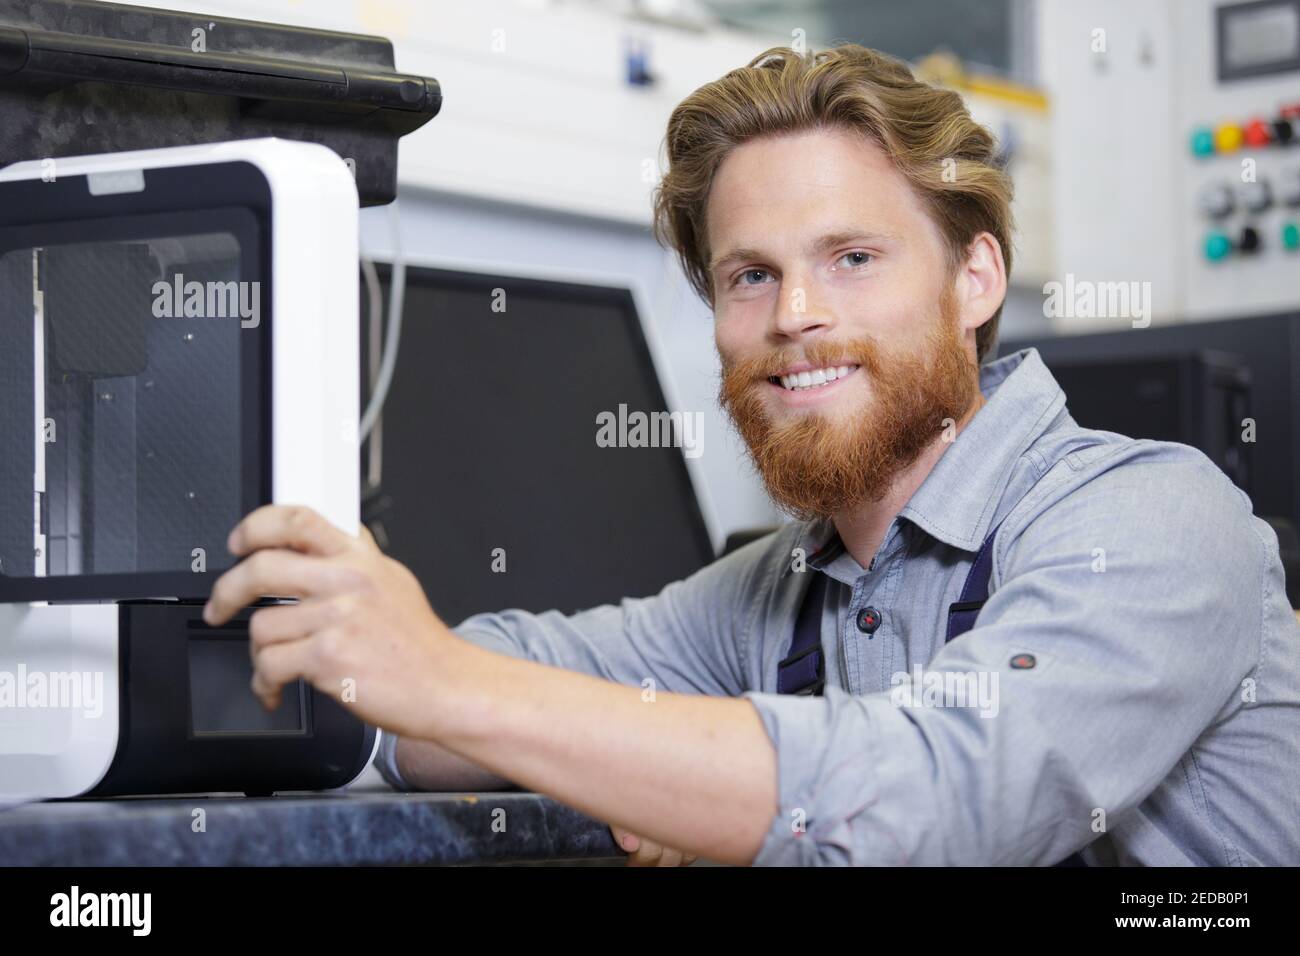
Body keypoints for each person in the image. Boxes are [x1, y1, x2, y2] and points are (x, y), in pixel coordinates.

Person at [203, 44, 1300, 866]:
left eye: (854, 256)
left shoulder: (1155, 519)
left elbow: (946, 793)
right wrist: (372, 661)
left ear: (975, 277)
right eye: (749, 276)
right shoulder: (773, 596)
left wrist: (450, 683)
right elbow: (523, 672)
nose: (797, 314)